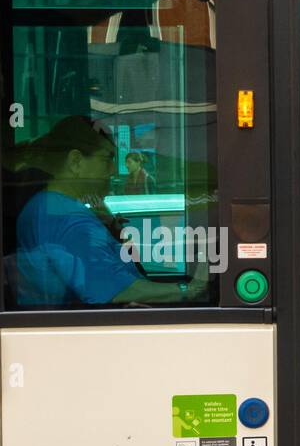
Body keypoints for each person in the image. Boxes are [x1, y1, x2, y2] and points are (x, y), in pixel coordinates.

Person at [12, 116, 208, 306]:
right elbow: (117, 290)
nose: (114, 170)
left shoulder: (44, 205)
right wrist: (189, 290)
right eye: (107, 159)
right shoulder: (71, 221)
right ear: (76, 162)